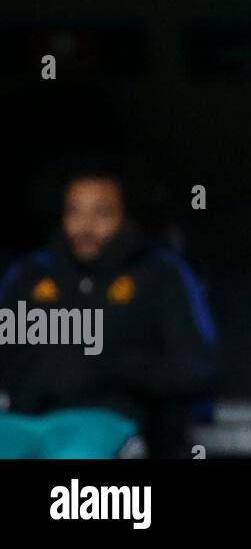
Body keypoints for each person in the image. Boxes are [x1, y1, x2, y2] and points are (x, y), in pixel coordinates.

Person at [0, 166, 217, 458]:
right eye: (74, 212)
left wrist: (114, 367)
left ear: (126, 217)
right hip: (24, 420)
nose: (85, 226)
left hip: (109, 420)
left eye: (101, 213)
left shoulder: (159, 275)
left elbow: (196, 369)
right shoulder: (30, 275)